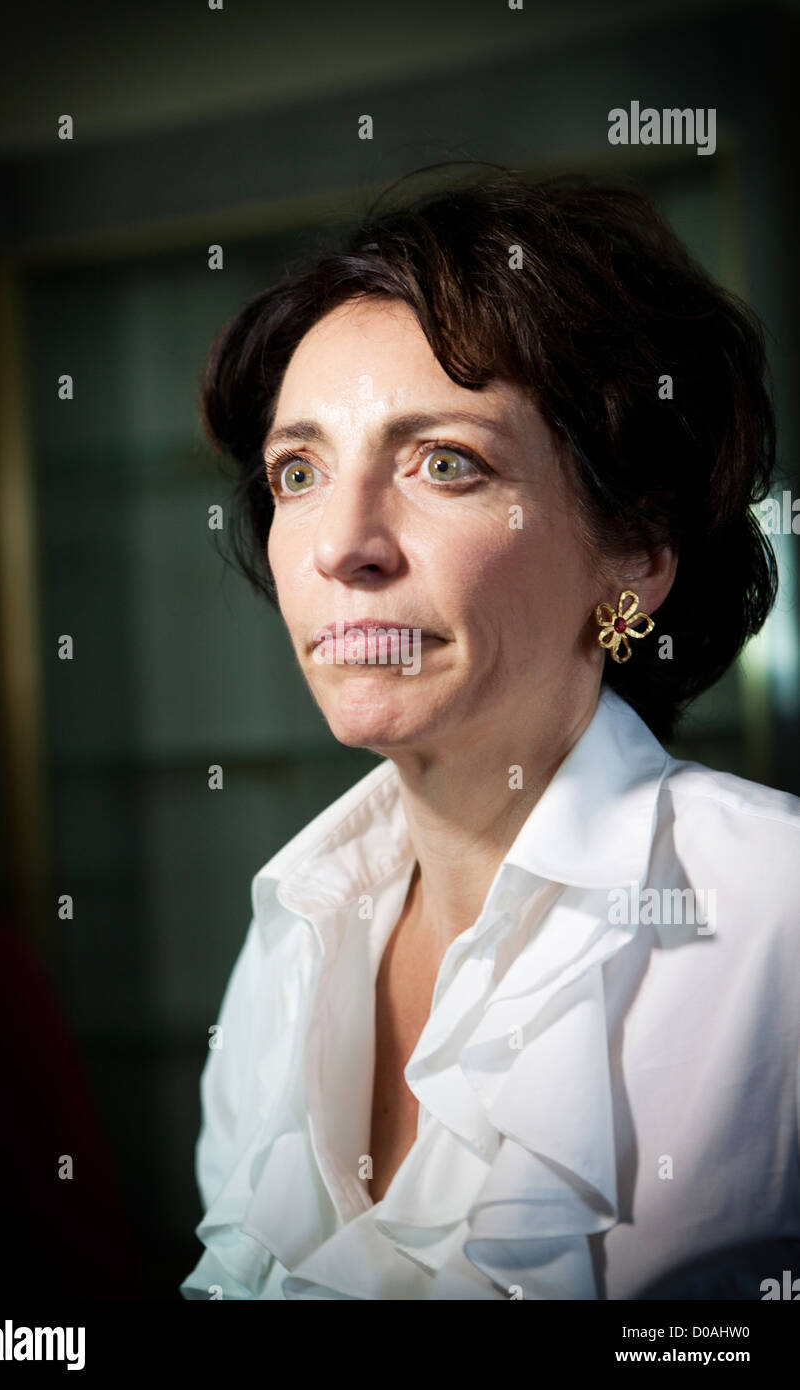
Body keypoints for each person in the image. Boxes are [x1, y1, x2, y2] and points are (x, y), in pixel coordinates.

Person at [180, 167, 800, 1300]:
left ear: (633, 557)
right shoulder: (286, 941)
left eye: (443, 462)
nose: (342, 545)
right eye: (299, 471)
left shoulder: (776, 918)